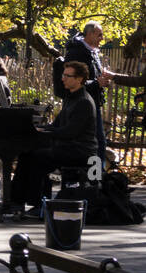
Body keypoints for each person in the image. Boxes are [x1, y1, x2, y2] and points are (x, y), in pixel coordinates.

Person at [11, 60, 99, 216]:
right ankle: (16, 201)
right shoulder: (70, 98)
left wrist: (43, 133)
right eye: (63, 75)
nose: (63, 78)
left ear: (79, 79)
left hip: (80, 151)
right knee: (27, 154)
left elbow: (70, 132)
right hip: (68, 147)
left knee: (38, 158)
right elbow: (56, 125)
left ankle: (39, 204)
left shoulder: (84, 101)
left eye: (67, 75)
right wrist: (38, 129)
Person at [63, 22, 107, 161]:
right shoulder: (76, 53)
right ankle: (95, 178)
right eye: (99, 35)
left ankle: (93, 177)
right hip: (81, 104)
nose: (102, 38)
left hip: (92, 102)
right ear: (90, 34)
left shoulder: (92, 52)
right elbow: (69, 80)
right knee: (97, 143)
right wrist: (96, 83)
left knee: (95, 143)